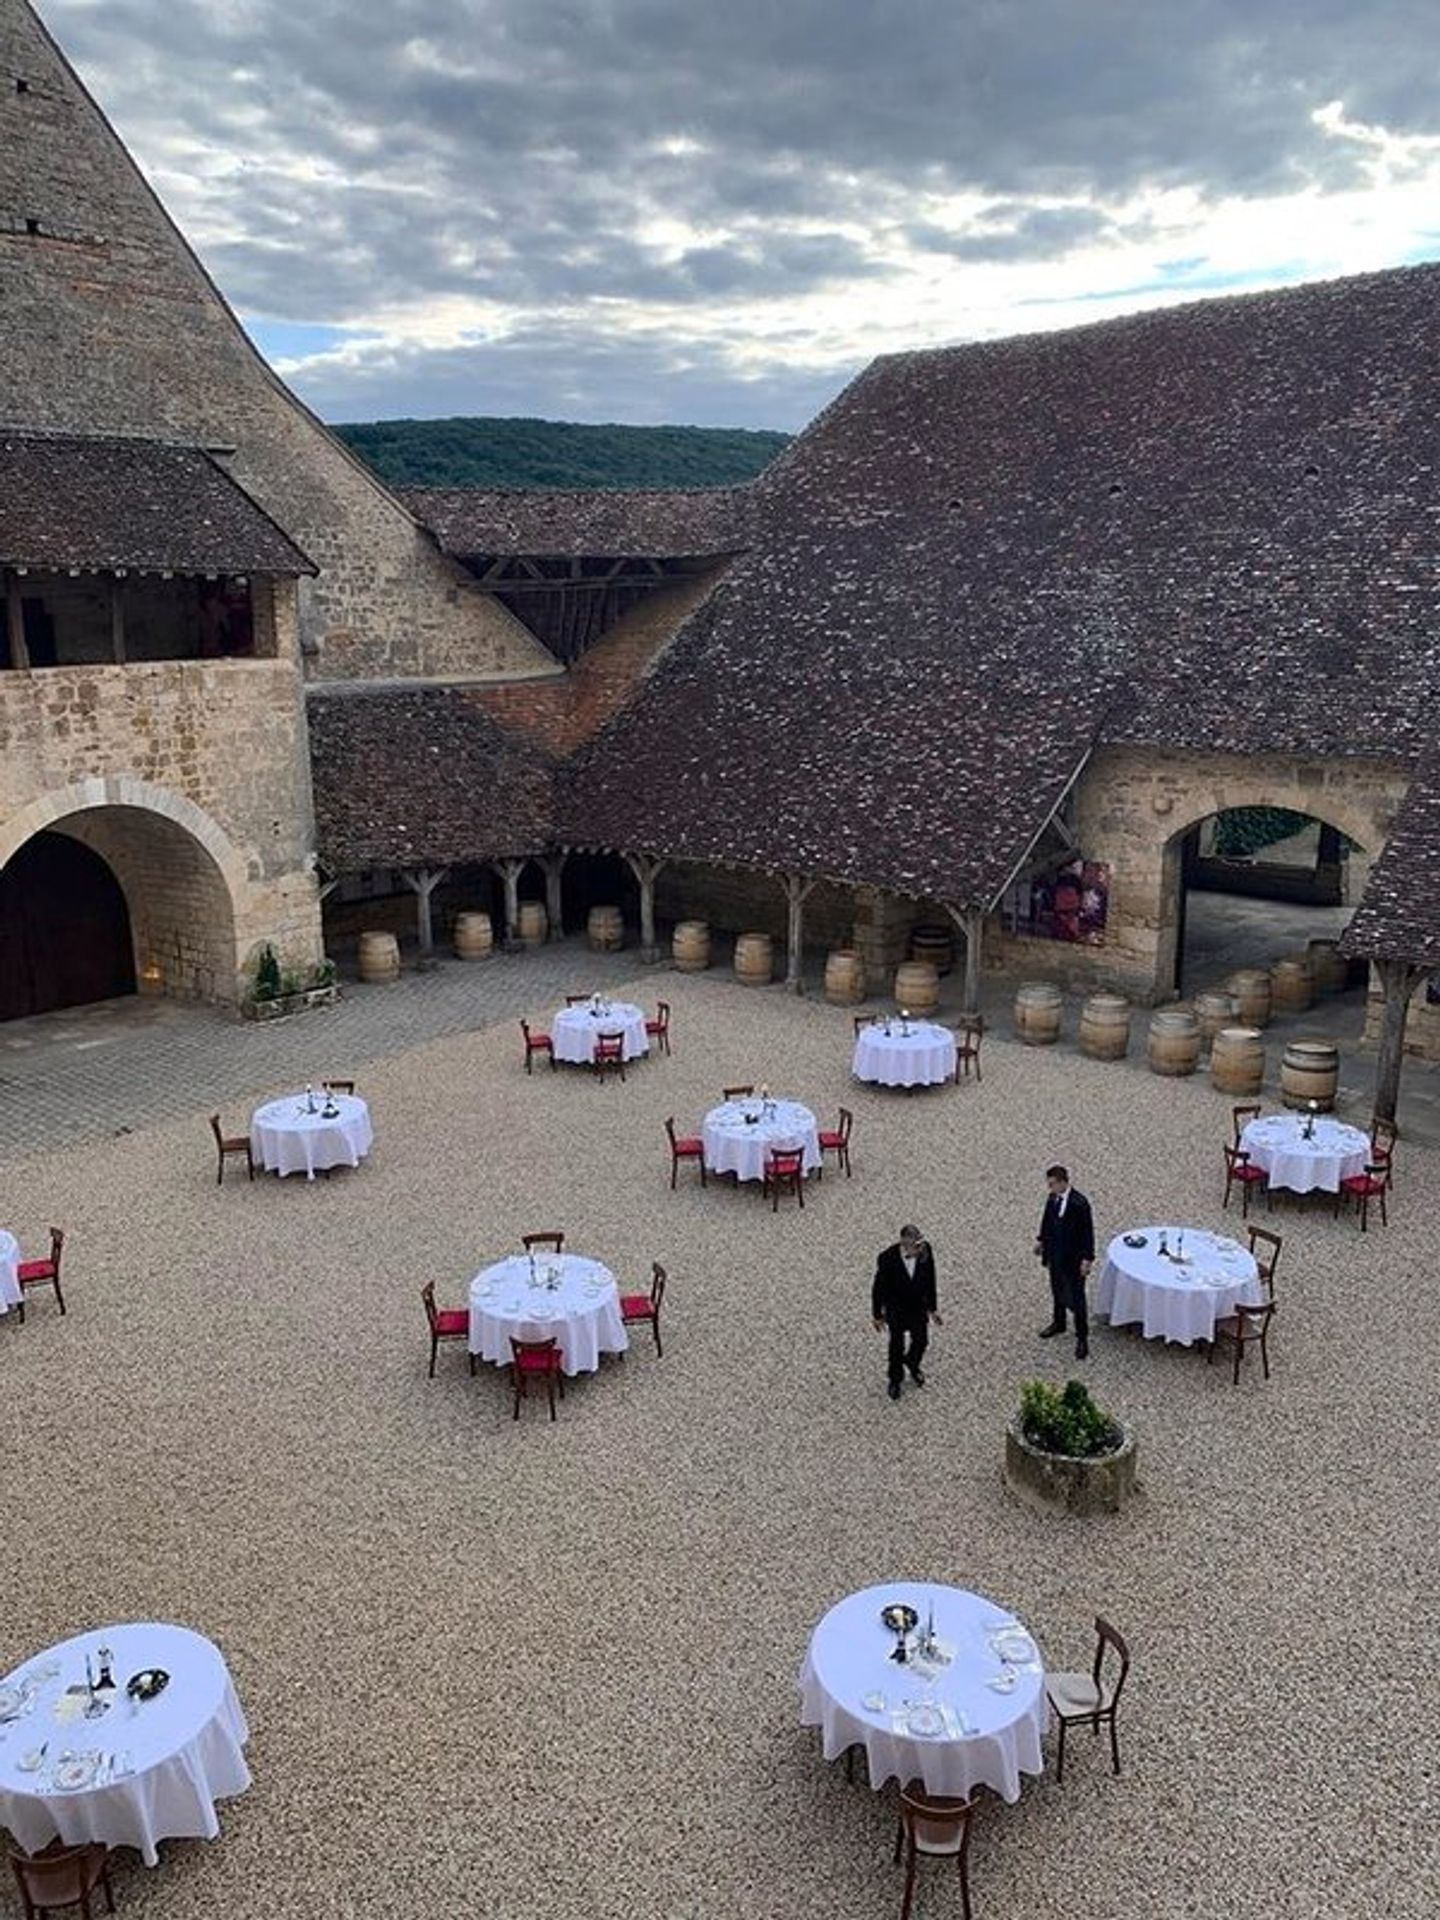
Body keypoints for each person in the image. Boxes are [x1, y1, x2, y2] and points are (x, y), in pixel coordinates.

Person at [872, 1226, 941, 1400]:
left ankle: (912, 1362)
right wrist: (877, 1315)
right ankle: (895, 1379)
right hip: (897, 1310)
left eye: (920, 1244)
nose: (920, 1249)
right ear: (904, 1243)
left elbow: (931, 1279)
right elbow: (878, 1288)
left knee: (922, 1340)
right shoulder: (887, 1258)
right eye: (916, 1245)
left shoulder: (926, 1251)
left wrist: (933, 1308)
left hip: (917, 1308)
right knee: (896, 1346)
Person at [1035, 1165, 1095, 1359]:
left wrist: (1087, 1258)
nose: (1049, 1188)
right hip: (1055, 1255)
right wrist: (1041, 1240)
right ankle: (1059, 1323)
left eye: (1052, 1184)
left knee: (1077, 1298)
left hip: (1073, 1259)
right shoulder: (1053, 1198)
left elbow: (1088, 1233)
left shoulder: (1080, 1204)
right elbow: (1047, 1221)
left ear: (1062, 1182)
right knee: (1056, 1289)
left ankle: (1082, 1337)